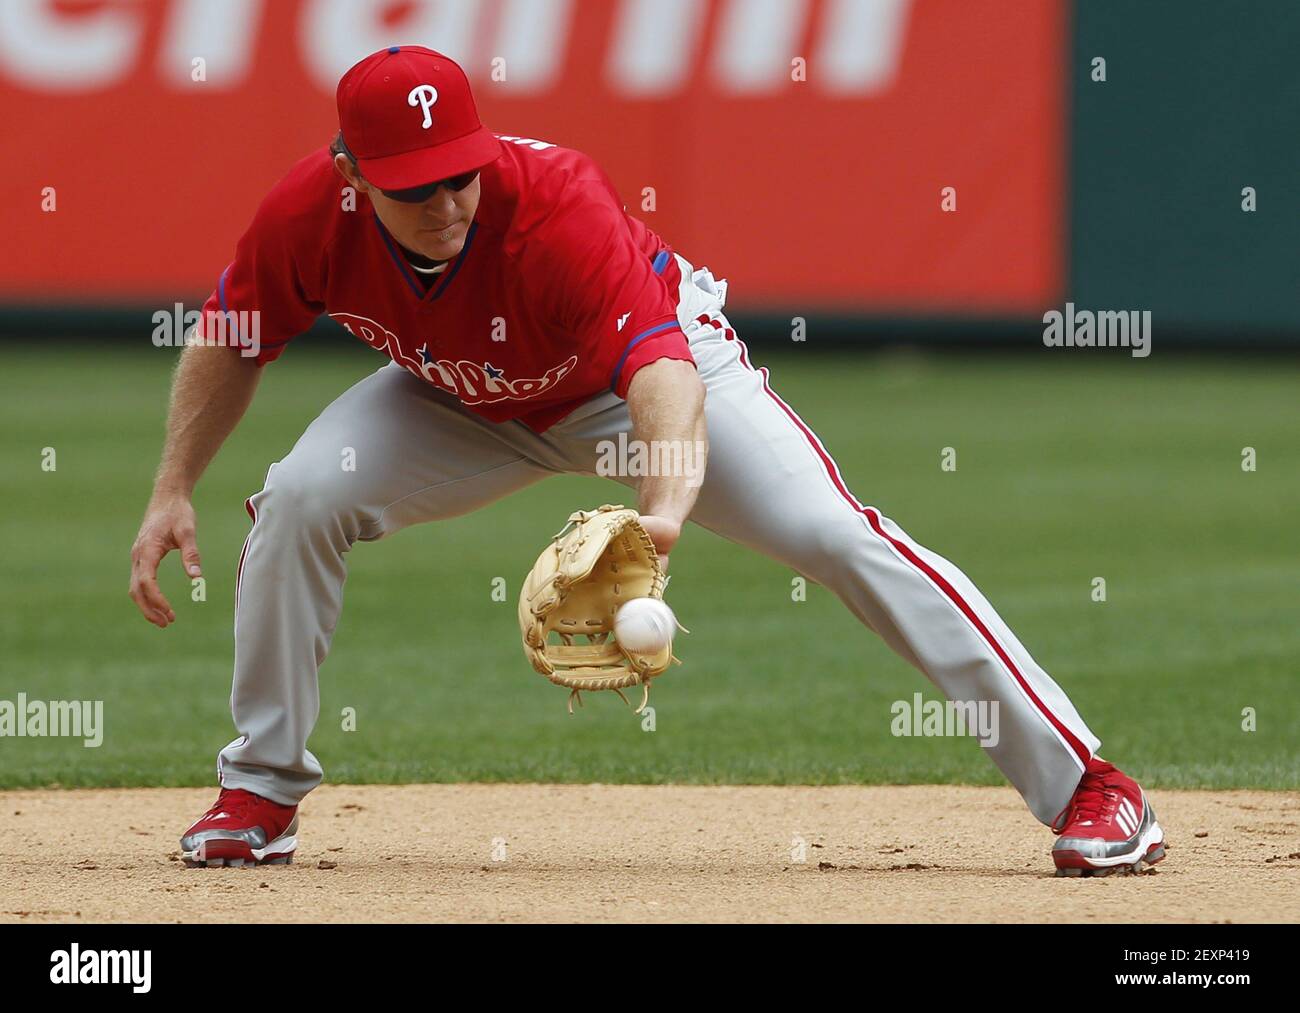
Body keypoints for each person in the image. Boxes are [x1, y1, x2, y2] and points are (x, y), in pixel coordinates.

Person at [129, 46, 1164, 876]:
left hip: (629, 387)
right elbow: (232, 335)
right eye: (414, 189)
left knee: (831, 534)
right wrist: (173, 486)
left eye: (459, 178)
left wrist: (662, 510)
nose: (446, 206)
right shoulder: (308, 216)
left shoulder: (553, 205)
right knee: (304, 495)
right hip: (458, 399)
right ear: (351, 174)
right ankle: (261, 788)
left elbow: (661, 371)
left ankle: (1085, 782)